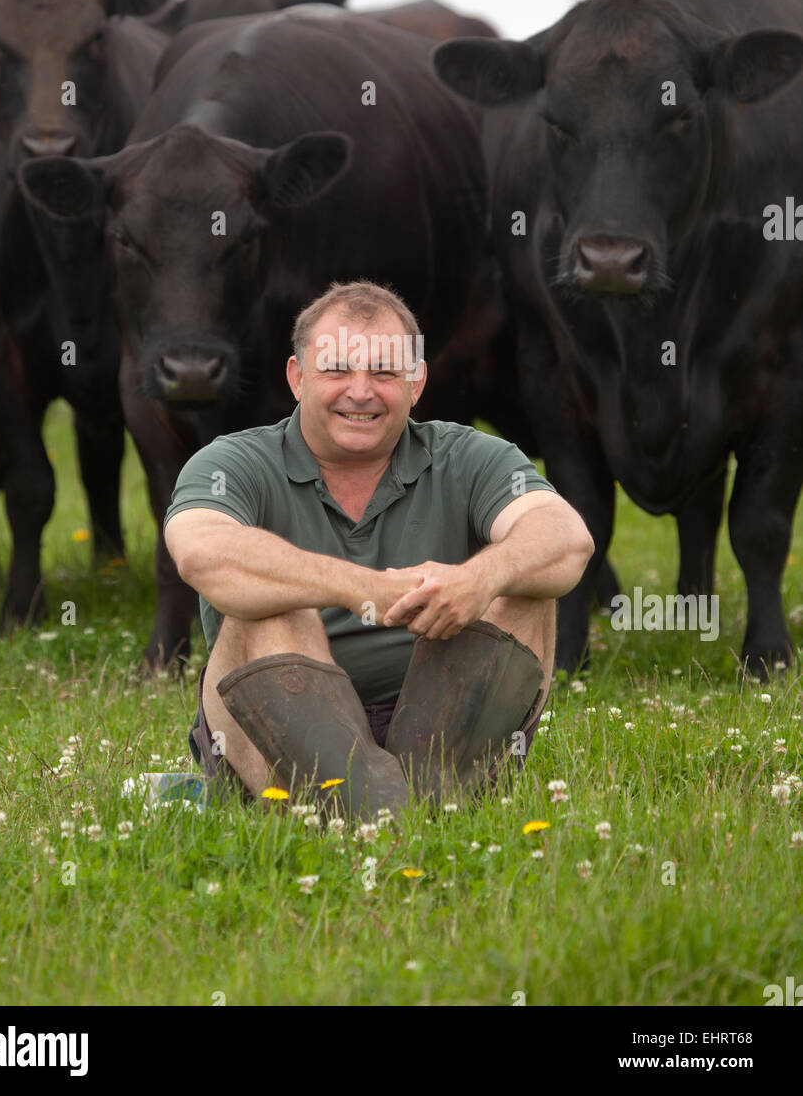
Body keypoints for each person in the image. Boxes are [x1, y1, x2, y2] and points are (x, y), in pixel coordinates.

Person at [163, 280, 593, 819]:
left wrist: (482, 579)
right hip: (273, 731)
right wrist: (361, 588)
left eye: (385, 373)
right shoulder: (233, 461)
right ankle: (374, 809)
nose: (360, 391)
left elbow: (566, 539)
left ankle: (413, 799)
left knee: (525, 579)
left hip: (440, 725)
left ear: (416, 383)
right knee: (270, 606)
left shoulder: (470, 455)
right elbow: (202, 553)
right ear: (298, 378)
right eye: (338, 369)